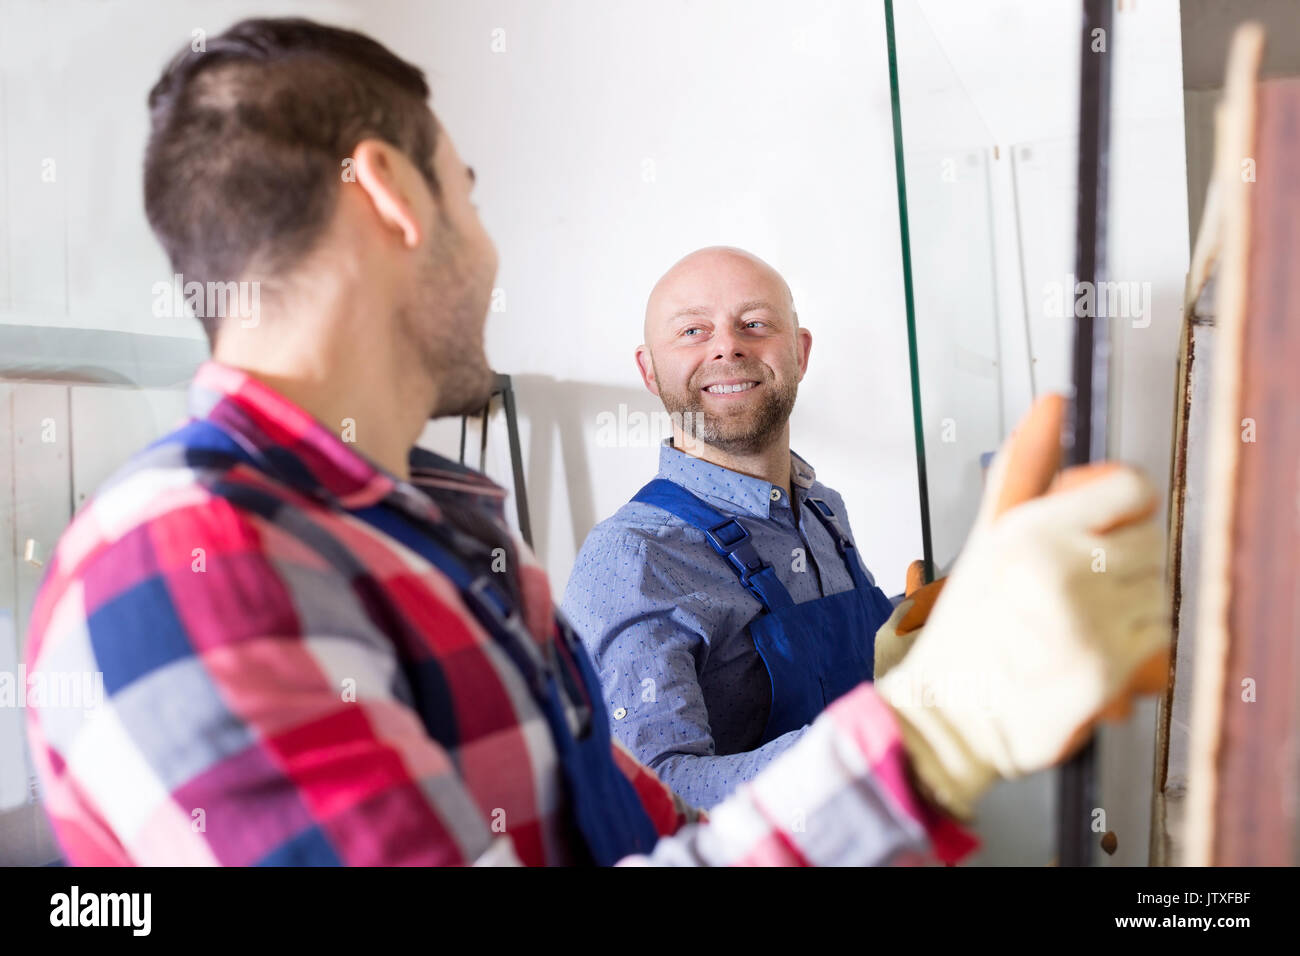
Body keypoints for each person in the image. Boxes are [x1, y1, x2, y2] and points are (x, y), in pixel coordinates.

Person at [24, 17, 1169, 867]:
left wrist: (933, 670)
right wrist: (934, 732)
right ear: (391, 196)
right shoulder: (193, 565)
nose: (489, 244)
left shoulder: (440, 535)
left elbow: (633, 832)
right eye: (468, 193)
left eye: (755, 324)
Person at [563, 247, 896, 808]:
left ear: (801, 351)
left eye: (755, 324)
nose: (727, 345)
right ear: (649, 370)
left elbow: (858, 658)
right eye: (693, 330)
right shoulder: (633, 557)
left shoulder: (823, 511)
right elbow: (656, 796)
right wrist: (864, 746)